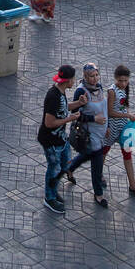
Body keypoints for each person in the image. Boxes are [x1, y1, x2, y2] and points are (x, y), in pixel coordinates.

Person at [39, 63, 86, 215]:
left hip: (60, 139)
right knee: (54, 168)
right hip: (51, 140)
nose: (74, 81)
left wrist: (78, 103)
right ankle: (49, 197)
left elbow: (64, 107)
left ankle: (52, 189)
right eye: (73, 78)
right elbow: (49, 123)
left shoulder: (60, 92)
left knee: (65, 164)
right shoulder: (53, 96)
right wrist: (69, 119)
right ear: (68, 80)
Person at [63, 62, 109, 207]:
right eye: (91, 76)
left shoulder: (99, 88)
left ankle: (69, 168)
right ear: (85, 76)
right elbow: (75, 114)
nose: (95, 79)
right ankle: (98, 193)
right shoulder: (81, 91)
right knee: (97, 161)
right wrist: (93, 119)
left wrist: (106, 126)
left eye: (96, 75)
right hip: (89, 134)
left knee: (88, 154)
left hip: (100, 132)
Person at [102, 63, 135, 196]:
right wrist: (128, 115)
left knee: (127, 155)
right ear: (115, 78)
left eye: (125, 81)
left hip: (124, 127)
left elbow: (123, 107)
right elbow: (110, 112)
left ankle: (133, 185)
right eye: (120, 81)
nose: (123, 83)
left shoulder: (124, 89)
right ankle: (98, 175)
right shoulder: (111, 91)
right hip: (112, 128)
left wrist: (130, 116)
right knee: (103, 152)